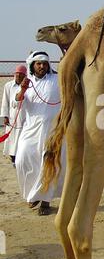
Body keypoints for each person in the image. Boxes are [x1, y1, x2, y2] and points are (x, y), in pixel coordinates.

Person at [15, 51, 65, 216]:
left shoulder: (55, 80)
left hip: (52, 131)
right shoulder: (27, 83)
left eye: (44, 63)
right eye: (38, 63)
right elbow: (17, 102)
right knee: (23, 159)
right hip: (31, 130)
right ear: (33, 65)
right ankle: (33, 195)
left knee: (49, 166)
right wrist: (22, 90)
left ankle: (45, 201)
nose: (42, 66)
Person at [1, 65, 27, 166]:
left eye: (21, 74)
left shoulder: (27, 86)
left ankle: (20, 159)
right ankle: (13, 159)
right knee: (11, 141)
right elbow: (5, 101)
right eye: (17, 74)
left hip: (23, 116)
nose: (18, 76)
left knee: (21, 140)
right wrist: (5, 116)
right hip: (12, 116)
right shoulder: (8, 85)